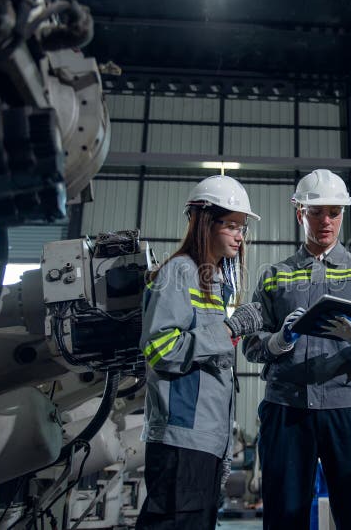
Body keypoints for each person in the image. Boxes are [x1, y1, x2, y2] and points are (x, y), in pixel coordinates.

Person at [244, 169, 351, 530]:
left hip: (350, 409)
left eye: (334, 212)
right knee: (283, 518)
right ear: (299, 212)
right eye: (316, 212)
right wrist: (278, 341)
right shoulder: (274, 276)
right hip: (286, 409)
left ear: (343, 214)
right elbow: (252, 345)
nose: (326, 221)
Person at [136, 175, 264, 529]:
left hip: (204, 439)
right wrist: (229, 329)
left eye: (242, 228)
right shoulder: (180, 272)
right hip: (182, 438)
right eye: (231, 226)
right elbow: (160, 349)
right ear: (205, 222)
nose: (240, 236)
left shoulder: (213, 283)